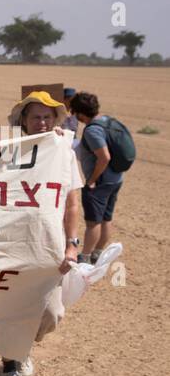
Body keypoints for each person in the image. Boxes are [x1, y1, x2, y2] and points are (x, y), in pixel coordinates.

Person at [0, 91, 86, 376]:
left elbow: (72, 204)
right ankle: (9, 368)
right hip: (11, 246)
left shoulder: (65, 153)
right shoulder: (9, 151)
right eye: (36, 116)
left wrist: (72, 244)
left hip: (50, 247)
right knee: (12, 308)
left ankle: (23, 348)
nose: (43, 122)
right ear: (24, 120)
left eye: (48, 117)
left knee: (51, 314)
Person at [70, 91, 122, 265]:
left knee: (93, 222)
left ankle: (84, 257)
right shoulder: (107, 120)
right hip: (115, 178)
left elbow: (104, 157)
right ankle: (98, 253)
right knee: (106, 218)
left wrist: (91, 180)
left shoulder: (92, 131)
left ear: (81, 114)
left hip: (100, 182)